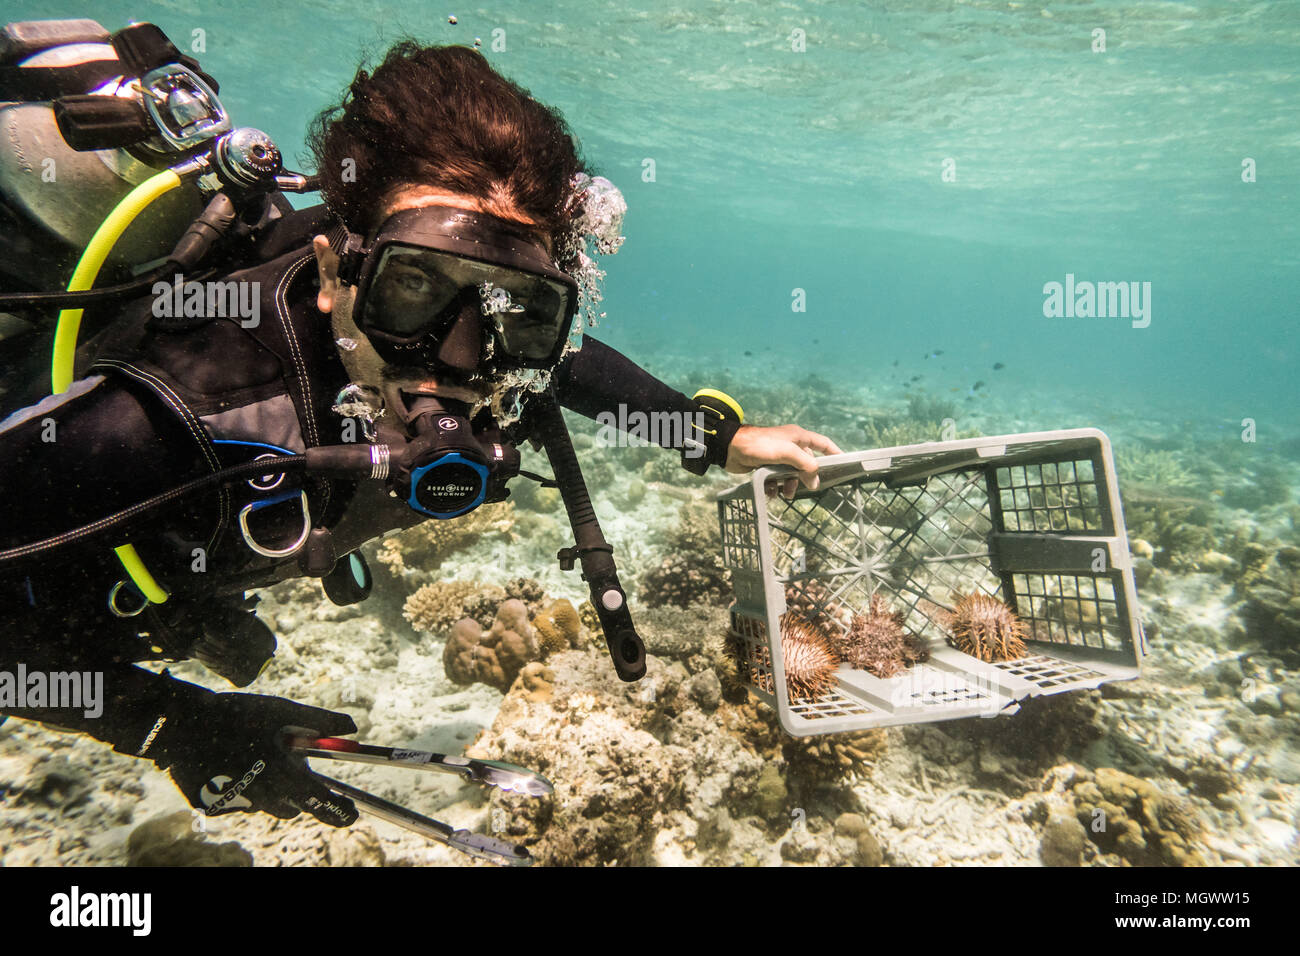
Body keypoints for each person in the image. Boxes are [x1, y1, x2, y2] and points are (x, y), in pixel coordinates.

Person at [0, 40, 840, 830]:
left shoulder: (510, 356)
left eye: (515, 305)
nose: (461, 355)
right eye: (414, 286)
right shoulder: (170, 411)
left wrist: (712, 436)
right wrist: (168, 725)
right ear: (336, 271)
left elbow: (567, 365)